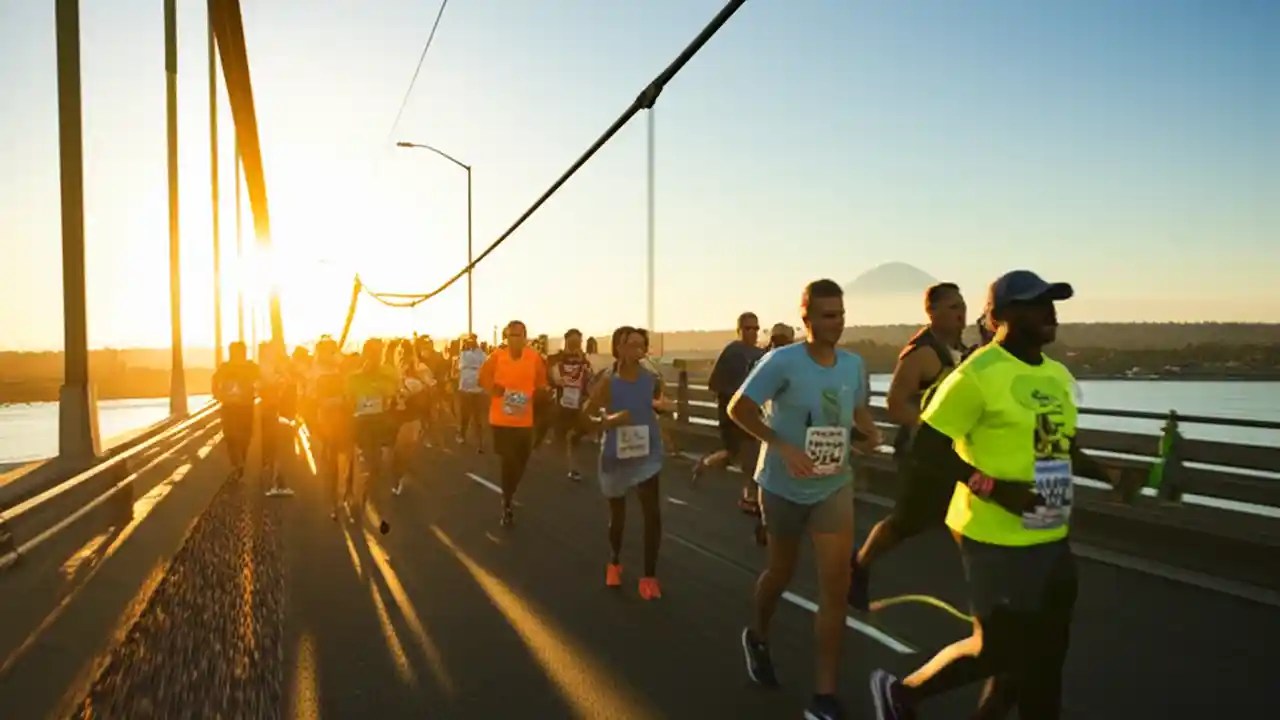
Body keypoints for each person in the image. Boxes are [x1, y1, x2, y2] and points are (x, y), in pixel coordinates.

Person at [869, 270, 1116, 720]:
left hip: (1050, 532)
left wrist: (1109, 474)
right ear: (1003, 315)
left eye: (1052, 303)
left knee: (1045, 660)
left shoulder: (1057, 376)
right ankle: (902, 694)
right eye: (1036, 304)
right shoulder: (976, 375)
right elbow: (928, 450)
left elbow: (1057, 444)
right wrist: (996, 489)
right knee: (999, 650)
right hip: (992, 538)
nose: (1050, 312)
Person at [731, 279, 881, 720]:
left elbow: (857, 411)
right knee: (780, 572)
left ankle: (824, 696)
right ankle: (758, 635)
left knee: (835, 588)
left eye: (841, 314)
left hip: (833, 486)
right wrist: (782, 447)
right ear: (807, 318)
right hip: (782, 488)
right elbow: (739, 408)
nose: (837, 323)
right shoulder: (782, 361)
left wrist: (870, 432)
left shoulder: (853, 365)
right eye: (828, 315)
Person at [848, 283, 969, 609]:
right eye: (953, 307)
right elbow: (896, 404)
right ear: (932, 312)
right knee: (906, 523)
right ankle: (859, 565)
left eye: (962, 306)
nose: (961, 313)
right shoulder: (921, 353)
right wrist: (930, 429)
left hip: (958, 451)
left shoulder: (965, 351)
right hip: (923, 454)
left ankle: (991, 592)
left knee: (970, 513)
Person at [583, 326, 672, 599]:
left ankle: (649, 576)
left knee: (652, 515)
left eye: (641, 345)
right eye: (631, 344)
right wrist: (610, 420)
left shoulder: (652, 379)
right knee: (618, 516)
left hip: (647, 453)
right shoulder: (608, 382)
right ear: (618, 348)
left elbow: (660, 406)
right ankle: (614, 560)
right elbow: (587, 416)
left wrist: (664, 409)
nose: (637, 349)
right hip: (616, 455)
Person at [693, 312, 764, 515]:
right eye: (748, 328)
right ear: (739, 330)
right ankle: (748, 497)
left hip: (755, 414)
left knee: (734, 455)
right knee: (749, 457)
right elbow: (716, 385)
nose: (752, 332)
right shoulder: (732, 352)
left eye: (756, 328)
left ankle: (704, 464)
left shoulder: (761, 354)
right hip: (733, 416)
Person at [479, 320, 548, 527]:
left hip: (524, 420)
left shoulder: (534, 358)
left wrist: (542, 395)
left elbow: (541, 383)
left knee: (521, 462)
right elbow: (482, 378)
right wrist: (493, 388)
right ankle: (507, 500)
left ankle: (510, 491)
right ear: (506, 338)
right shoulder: (496, 357)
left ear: (525, 337)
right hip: (501, 420)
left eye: (518, 335)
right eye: (511, 335)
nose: (514, 339)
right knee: (508, 461)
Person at [347, 338, 397, 532]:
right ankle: (358, 504)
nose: (376, 357)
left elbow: (392, 392)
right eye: (373, 353)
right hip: (362, 423)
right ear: (365, 354)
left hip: (380, 422)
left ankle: (363, 500)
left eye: (379, 353)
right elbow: (349, 399)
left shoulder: (386, 374)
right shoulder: (354, 377)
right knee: (367, 464)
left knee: (377, 466)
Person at [548, 328, 594, 481]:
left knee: (573, 437)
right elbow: (551, 376)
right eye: (573, 342)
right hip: (561, 405)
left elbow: (590, 379)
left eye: (578, 342)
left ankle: (572, 467)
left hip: (578, 405)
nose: (576, 345)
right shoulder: (557, 358)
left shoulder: (584, 360)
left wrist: (584, 363)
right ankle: (566, 466)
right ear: (566, 341)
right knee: (561, 438)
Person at [212, 341, 260, 481]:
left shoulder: (250, 367)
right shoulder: (226, 367)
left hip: (243, 406)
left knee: (243, 436)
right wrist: (217, 394)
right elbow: (215, 381)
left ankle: (239, 463)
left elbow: (260, 381)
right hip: (232, 406)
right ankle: (238, 464)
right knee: (232, 436)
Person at [259, 340, 296, 498]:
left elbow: (288, 383)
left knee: (275, 445)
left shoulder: (278, 367)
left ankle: (274, 476)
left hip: (278, 410)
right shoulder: (265, 367)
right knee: (273, 444)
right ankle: (274, 478)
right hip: (271, 410)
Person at [456, 335, 489, 452]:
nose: (471, 343)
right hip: (466, 387)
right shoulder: (463, 354)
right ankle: (463, 434)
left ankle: (479, 443)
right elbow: (459, 367)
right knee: (466, 415)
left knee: (477, 416)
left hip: (477, 388)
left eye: (473, 341)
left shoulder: (481, 354)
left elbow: (485, 367)